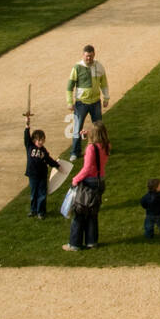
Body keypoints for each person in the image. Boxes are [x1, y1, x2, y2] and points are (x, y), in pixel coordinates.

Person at [62, 123, 111, 253]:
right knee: (92, 214)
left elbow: (87, 168)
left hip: (89, 183)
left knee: (79, 214)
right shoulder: (106, 146)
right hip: (100, 181)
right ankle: (91, 241)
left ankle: (74, 244)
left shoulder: (91, 148)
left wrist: (75, 179)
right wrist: (86, 135)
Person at [66, 44, 109, 161]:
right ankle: (75, 152)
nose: (88, 58)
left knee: (99, 127)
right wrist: (70, 102)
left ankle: (100, 149)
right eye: (86, 56)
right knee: (77, 128)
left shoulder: (99, 66)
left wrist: (106, 97)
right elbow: (69, 87)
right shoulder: (77, 68)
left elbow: (104, 83)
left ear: (94, 55)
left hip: (95, 102)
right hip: (81, 103)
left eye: (90, 56)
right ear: (83, 55)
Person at [22, 119, 60, 220]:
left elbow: (49, 160)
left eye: (43, 140)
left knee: (42, 194)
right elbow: (26, 137)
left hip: (42, 175)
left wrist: (57, 165)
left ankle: (41, 212)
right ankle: (33, 210)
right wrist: (27, 125)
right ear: (34, 140)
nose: (41, 142)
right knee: (33, 194)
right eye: (39, 140)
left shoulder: (44, 151)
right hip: (32, 175)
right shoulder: (29, 146)